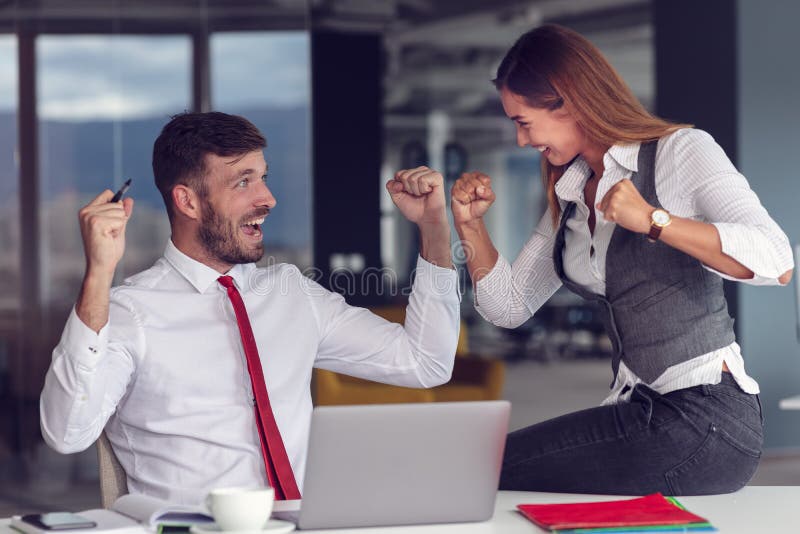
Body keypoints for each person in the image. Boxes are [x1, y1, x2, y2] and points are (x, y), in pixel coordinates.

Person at [40, 111, 459, 505]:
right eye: (243, 182)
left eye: (263, 178)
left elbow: (425, 363)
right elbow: (66, 432)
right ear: (188, 202)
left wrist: (434, 229)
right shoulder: (131, 313)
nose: (268, 199)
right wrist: (98, 274)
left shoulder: (293, 295)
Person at [451, 24, 794, 496]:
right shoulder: (570, 193)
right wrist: (470, 226)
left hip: (706, 418)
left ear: (568, 101)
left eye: (524, 122)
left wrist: (654, 220)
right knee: (488, 468)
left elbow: (777, 260)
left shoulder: (679, 152)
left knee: (486, 467)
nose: (521, 141)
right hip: (640, 410)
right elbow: (507, 307)